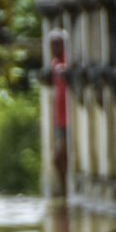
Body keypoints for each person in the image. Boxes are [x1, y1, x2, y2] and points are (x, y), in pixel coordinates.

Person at [49, 30, 69, 196]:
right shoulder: (55, 63)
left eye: (57, 44)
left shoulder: (65, 63)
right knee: (60, 160)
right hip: (60, 120)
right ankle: (65, 191)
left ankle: (65, 192)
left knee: (58, 159)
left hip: (68, 120)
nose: (54, 48)